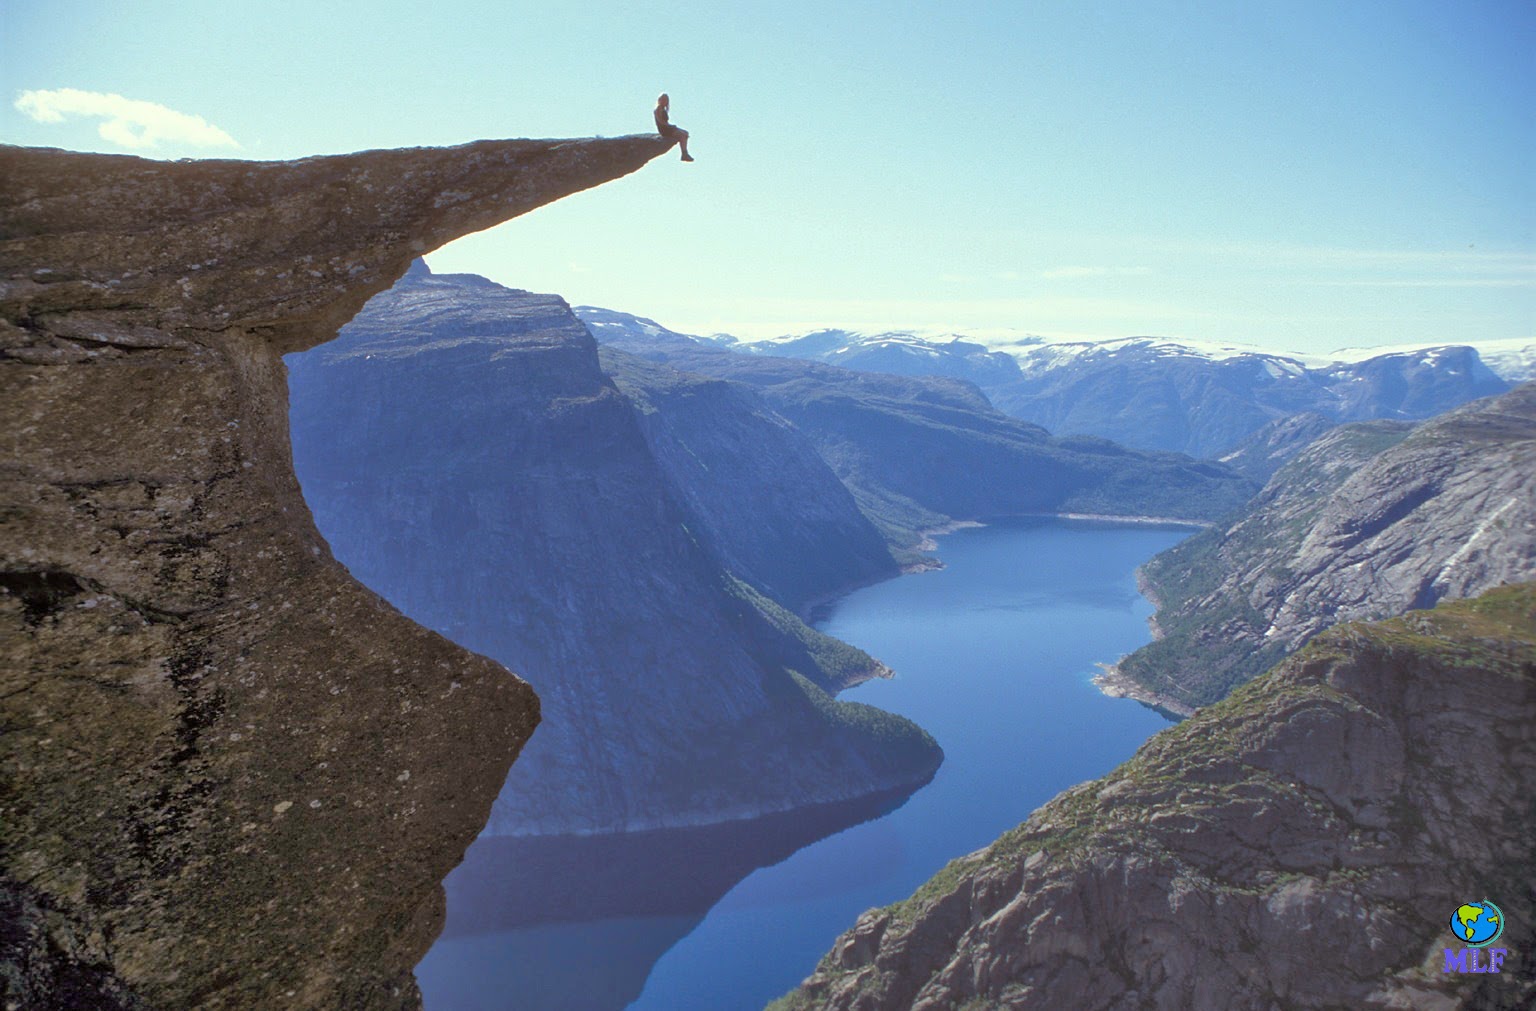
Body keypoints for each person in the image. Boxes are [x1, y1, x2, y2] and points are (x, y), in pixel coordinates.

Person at [654, 93, 694, 162]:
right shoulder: (658, 109)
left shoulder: (664, 109)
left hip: (667, 127)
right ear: (660, 100)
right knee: (682, 135)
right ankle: (684, 154)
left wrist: (670, 126)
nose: (665, 101)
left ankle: (685, 153)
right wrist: (669, 126)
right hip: (664, 129)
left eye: (666, 99)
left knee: (686, 133)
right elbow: (660, 121)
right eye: (663, 99)